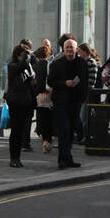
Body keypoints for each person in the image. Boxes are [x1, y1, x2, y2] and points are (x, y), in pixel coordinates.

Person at [48, 35, 85, 168]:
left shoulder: (82, 64)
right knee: (64, 130)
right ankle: (62, 160)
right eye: (67, 47)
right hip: (61, 102)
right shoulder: (57, 64)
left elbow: (85, 82)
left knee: (70, 132)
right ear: (63, 49)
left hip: (75, 102)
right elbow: (50, 81)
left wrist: (82, 98)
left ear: (76, 49)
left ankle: (68, 158)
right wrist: (65, 83)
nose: (69, 50)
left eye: (72, 47)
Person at [5, 42, 36, 168]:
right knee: (16, 130)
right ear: (18, 55)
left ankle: (17, 157)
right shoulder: (12, 65)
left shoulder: (27, 66)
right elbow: (20, 67)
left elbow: (33, 80)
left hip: (26, 102)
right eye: (24, 54)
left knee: (21, 130)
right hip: (15, 102)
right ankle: (14, 157)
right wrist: (26, 58)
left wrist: (30, 61)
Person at [32, 41, 54, 152]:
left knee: (40, 117)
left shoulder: (34, 66)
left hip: (38, 95)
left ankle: (44, 140)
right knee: (49, 118)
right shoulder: (50, 65)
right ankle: (48, 140)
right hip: (48, 94)